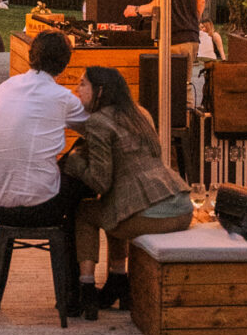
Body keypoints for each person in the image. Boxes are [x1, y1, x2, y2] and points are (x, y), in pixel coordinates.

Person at [0, 30, 90, 311]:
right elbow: (94, 128)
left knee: (69, 174)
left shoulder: (4, 88)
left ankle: (74, 292)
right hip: (37, 205)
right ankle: (75, 293)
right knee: (82, 191)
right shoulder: (61, 97)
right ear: (65, 64)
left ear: (31, 56)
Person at [71, 66, 193, 319]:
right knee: (113, 208)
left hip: (150, 216)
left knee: (86, 211)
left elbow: (100, 182)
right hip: (181, 207)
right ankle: (118, 279)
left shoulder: (98, 122)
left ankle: (87, 289)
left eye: (83, 84)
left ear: (100, 90)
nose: (77, 89)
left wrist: (76, 163)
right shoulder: (140, 113)